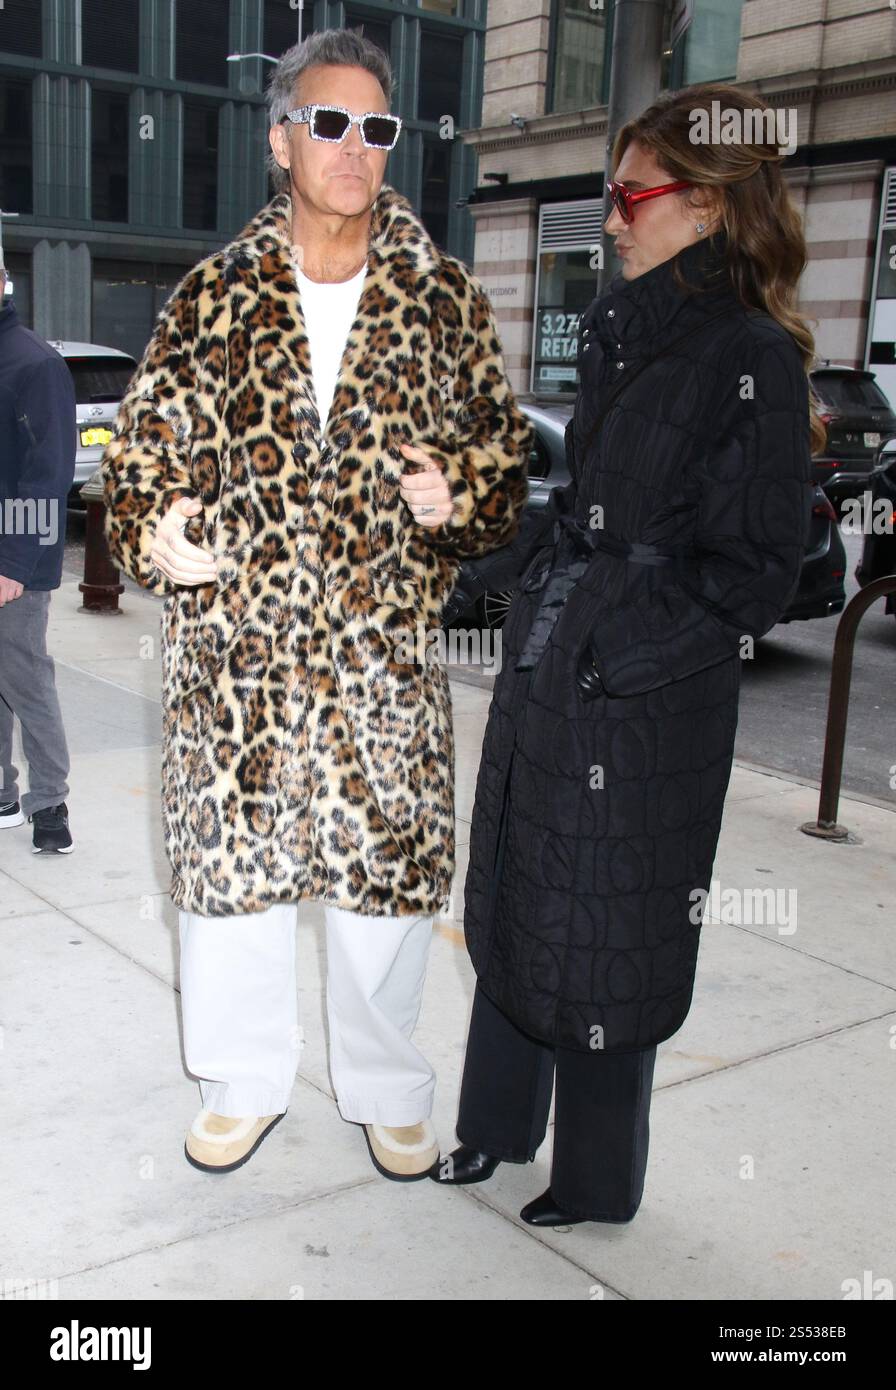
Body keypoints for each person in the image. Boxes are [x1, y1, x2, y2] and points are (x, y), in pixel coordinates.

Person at [100, 30, 531, 1179]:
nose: (354, 148)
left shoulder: (440, 299)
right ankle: (241, 1083)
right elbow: (141, 458)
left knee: (383, 899)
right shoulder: (212, 298)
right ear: (281, 136)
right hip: (236, 663)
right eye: (329, 123)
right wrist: (158, 530)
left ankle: (387, 1087)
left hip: (379, 663)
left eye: (376, 129)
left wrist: (464, 492)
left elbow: (502, 461)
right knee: (231, 892)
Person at [432, 82, 821, 1226]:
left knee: (607, 930)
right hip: (557, 675)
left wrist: (614, 660)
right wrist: (470, 580)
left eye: (626, 195)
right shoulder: (625, 333)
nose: (608, 218)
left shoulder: (749, 355)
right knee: (516, 899)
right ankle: (492, 1128)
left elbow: (750, 571)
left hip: (640, 707)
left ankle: (596, 1184)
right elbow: (577, 514)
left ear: (703, 206)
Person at [0, 257, 77, 854]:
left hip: (16, 557)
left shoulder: (35, 363)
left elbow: (47, 474)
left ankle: (50, 804)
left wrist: (14, 565)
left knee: (26, 678)